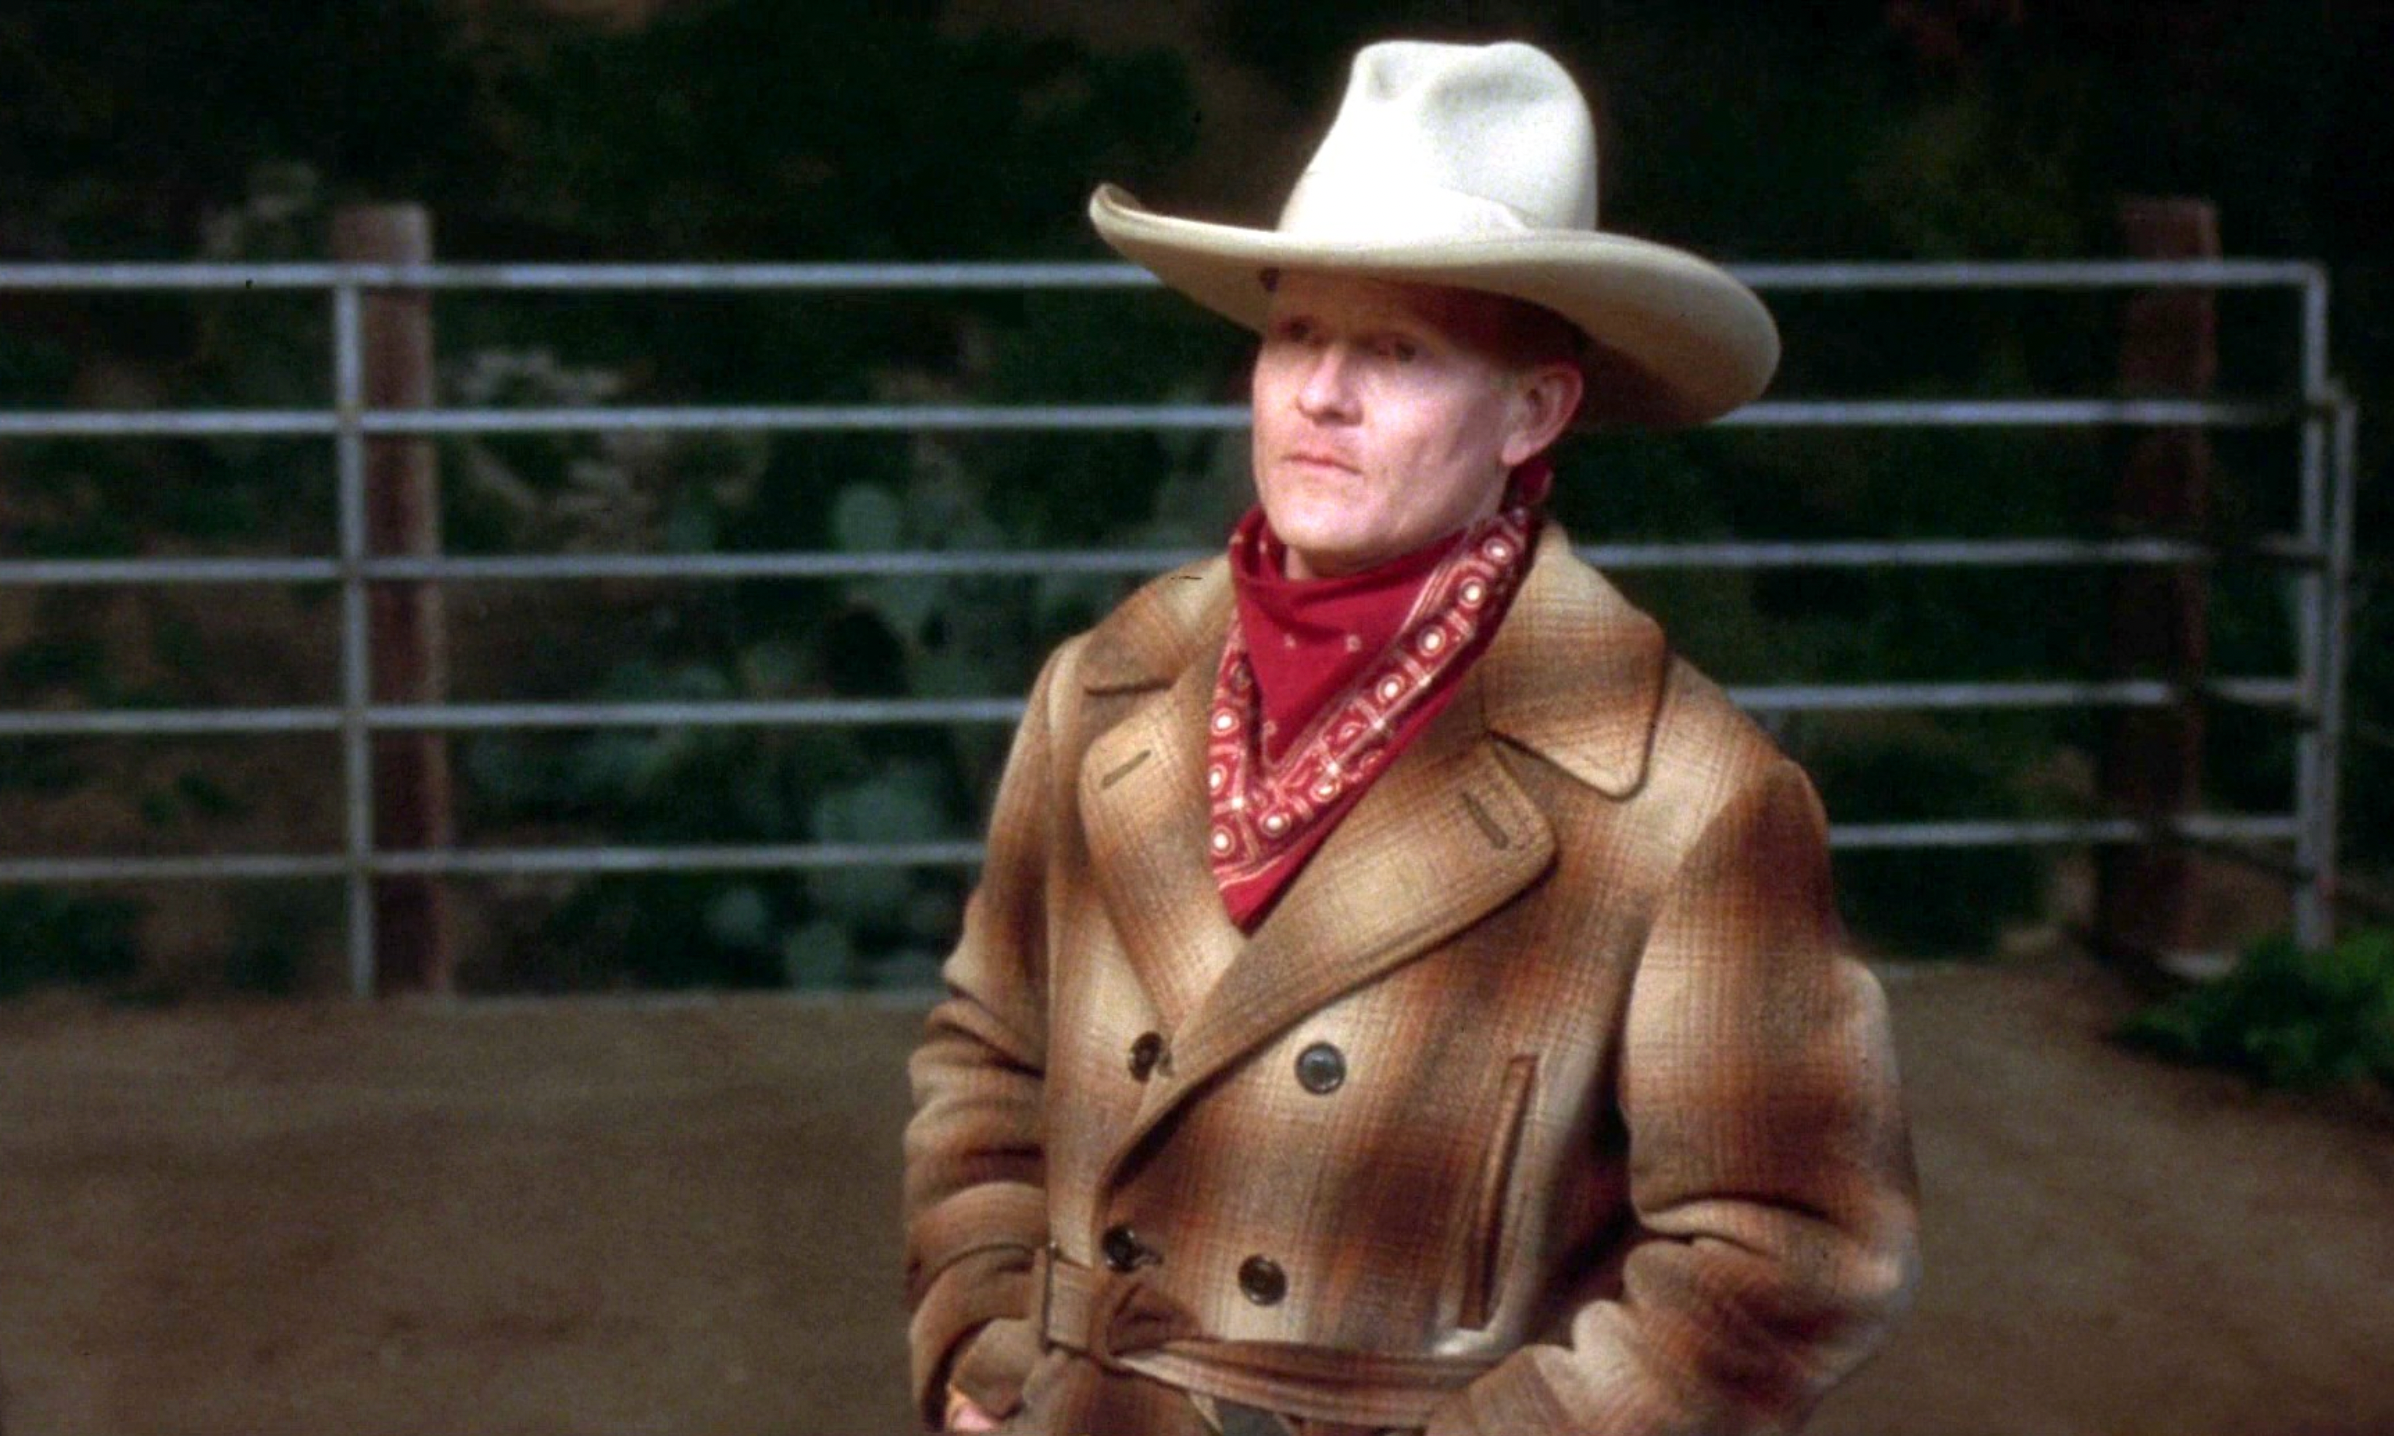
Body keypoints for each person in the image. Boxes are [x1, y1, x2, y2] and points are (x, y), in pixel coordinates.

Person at [902, 39, 1919, 1436]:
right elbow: (989, 1052)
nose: (1321, 395)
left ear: (1533, 411)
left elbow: (1788, 1248)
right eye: (1296, 336)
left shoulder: (1682, 796)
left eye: (1397, 351)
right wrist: (980, 1348)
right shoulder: (1107, 689)